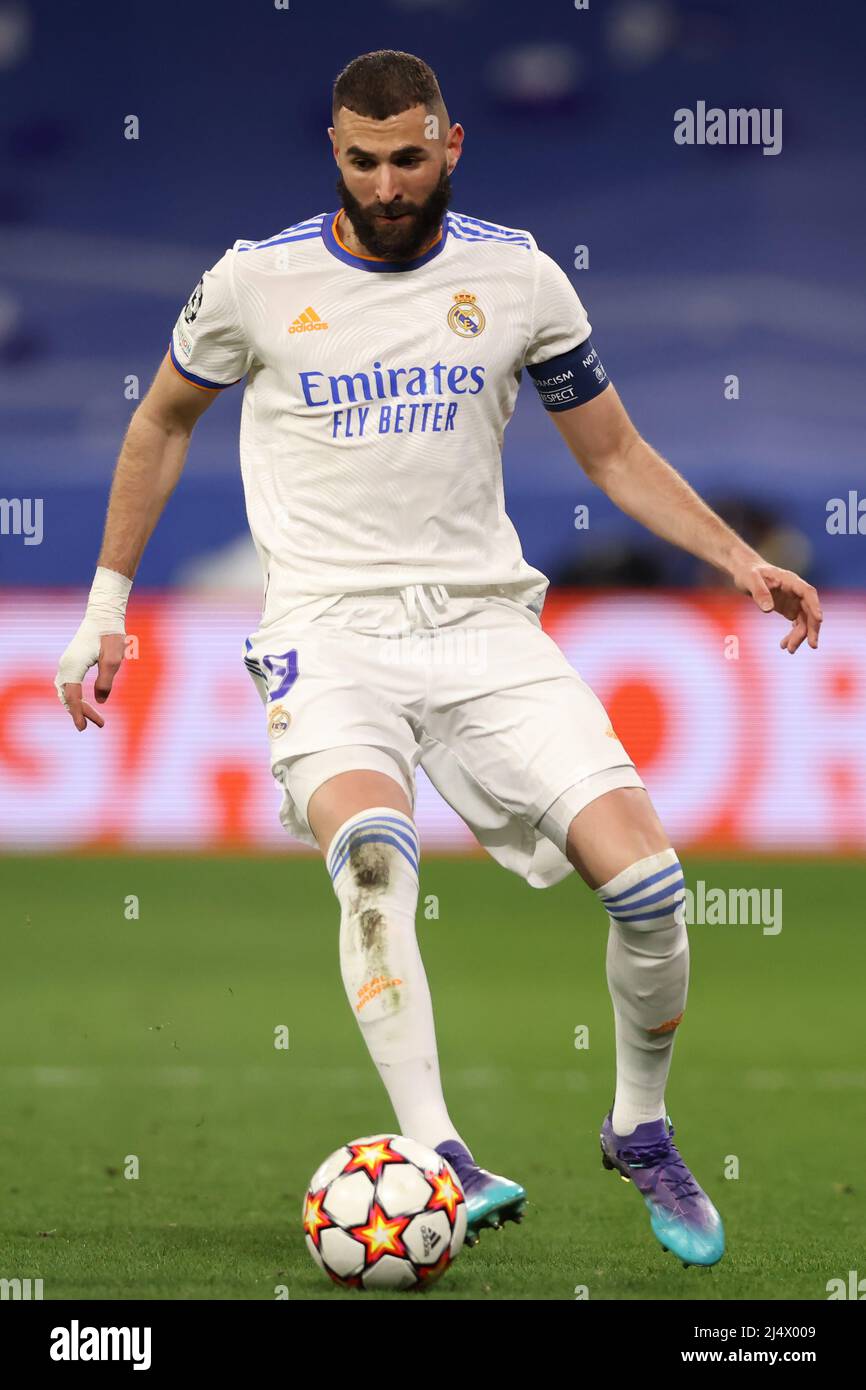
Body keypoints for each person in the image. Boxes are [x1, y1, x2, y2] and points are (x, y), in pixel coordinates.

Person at [55, 49, 822, 1266]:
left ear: (450, 145)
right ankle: (440, 1152)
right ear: (334, 154)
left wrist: (735, 557)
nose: (386, 181)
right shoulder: (254, 283)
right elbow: (160, 420)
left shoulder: (518, 279)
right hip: (326, 636)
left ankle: (639, 1124)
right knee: (371, 865)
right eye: (362, 160)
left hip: (483, 632)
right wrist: (105, 608)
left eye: (408, 156)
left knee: (650, 886)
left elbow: (612, 452)